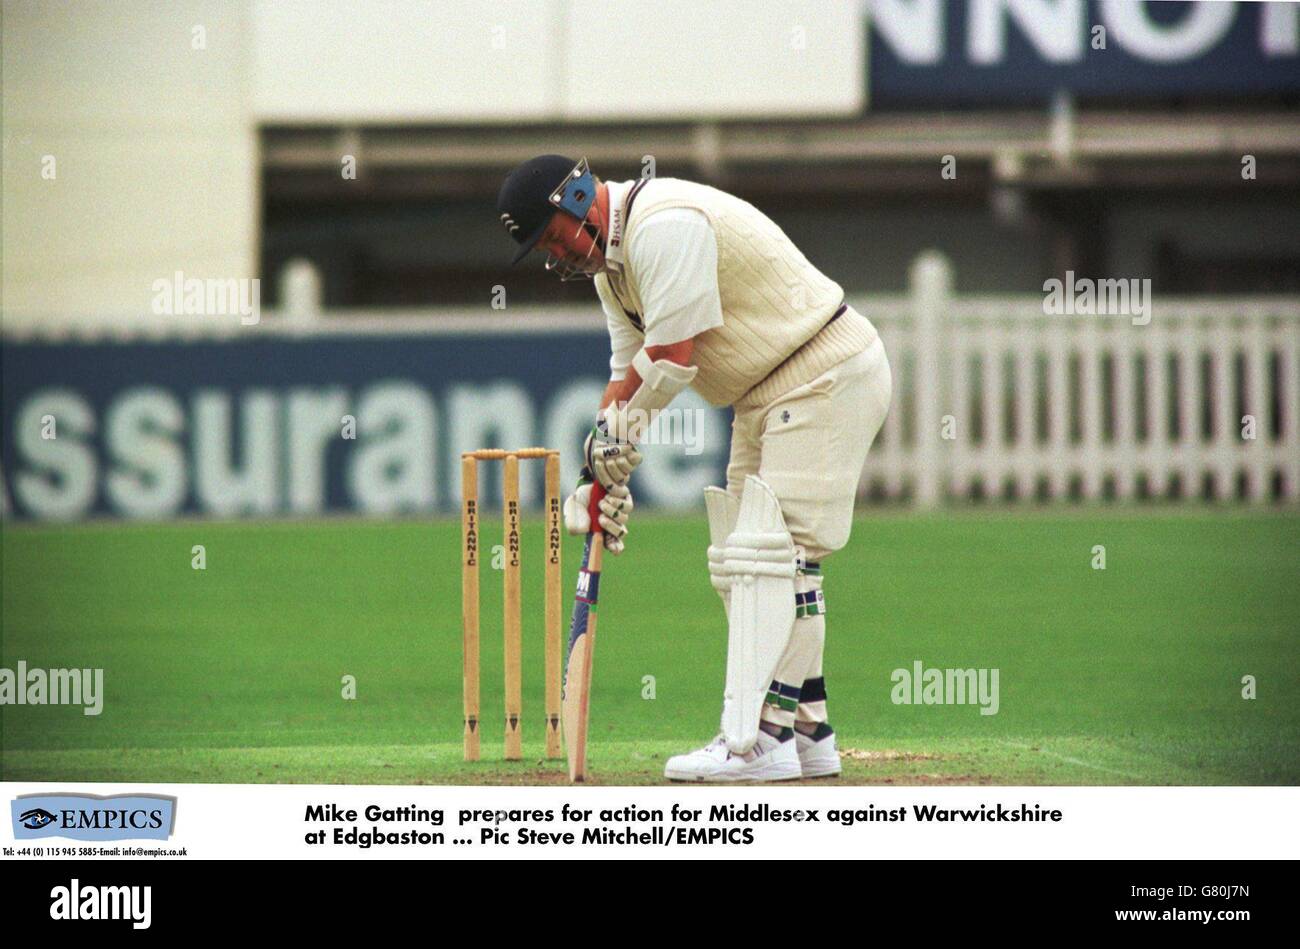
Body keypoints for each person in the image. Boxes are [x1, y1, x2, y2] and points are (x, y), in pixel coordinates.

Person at [496, 155, 892, 782]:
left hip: (822, 374)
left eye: (553, 236)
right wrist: (596, 473)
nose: (559, 256)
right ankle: (807, 728)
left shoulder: (664, 225)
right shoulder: (613, 274)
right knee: (743, 563)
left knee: (774, 557)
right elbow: (623, 378)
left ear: (575, 198)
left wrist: (616, 441)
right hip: (763, 395)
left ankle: (757, 741)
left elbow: (672, 359)